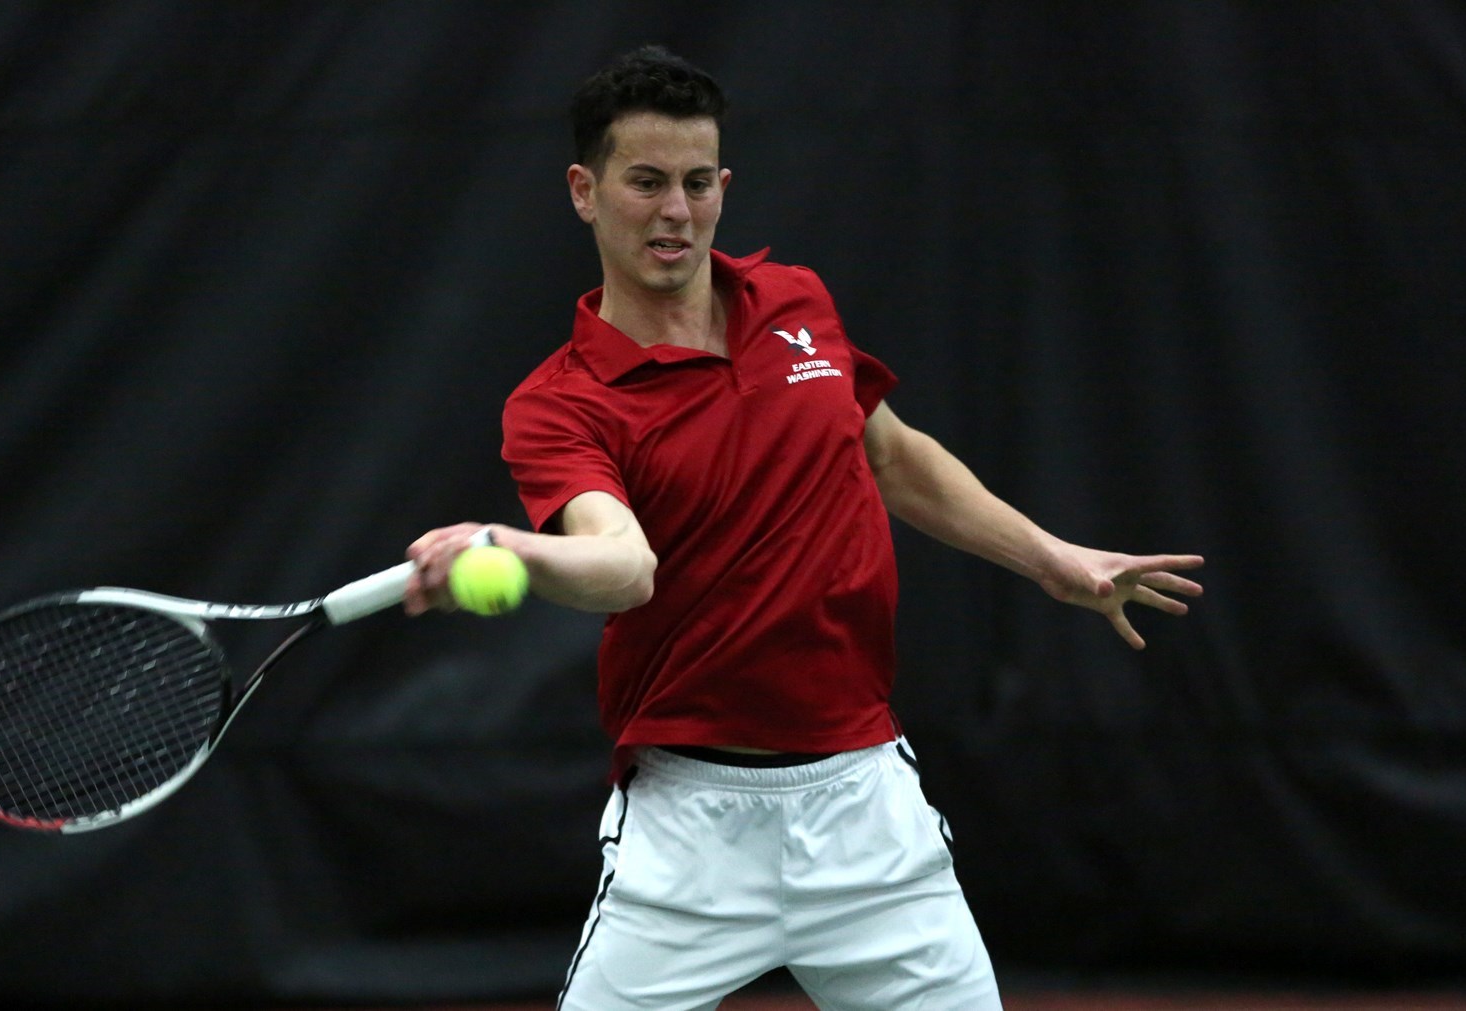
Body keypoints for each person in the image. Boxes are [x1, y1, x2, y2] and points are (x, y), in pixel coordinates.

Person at [401, 44, 1204, 1011]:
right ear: (584, 189)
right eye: (646, 183)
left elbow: (893, 455)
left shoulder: (797, 303)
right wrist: (517, 550)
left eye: (699, 183)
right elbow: (622, 565)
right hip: (689, 834)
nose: (676, 212)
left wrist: (1052, 561)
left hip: (867, 812)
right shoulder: (559, 404)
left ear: (725, 185)